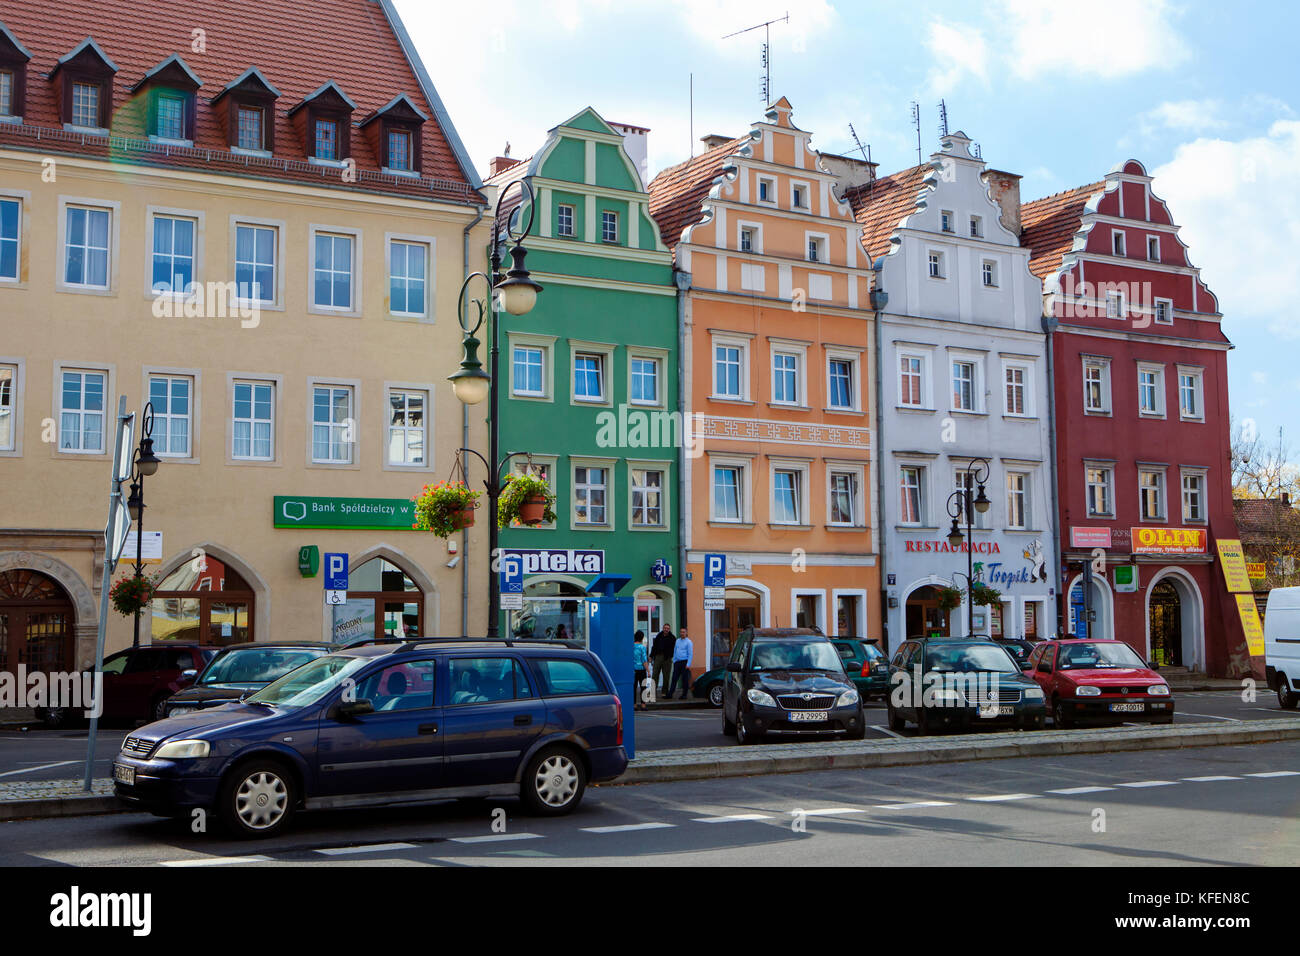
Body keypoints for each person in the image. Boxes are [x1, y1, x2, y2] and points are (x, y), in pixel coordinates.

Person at [668, 627, 693, 700]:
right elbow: (675, 650)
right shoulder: (677, 641)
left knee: (684, 680)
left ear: (686, 633)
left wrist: (688, 664)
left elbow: (690, 654)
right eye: (681, 632)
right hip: (677, 662)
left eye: (683, 632)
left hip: (684, 662)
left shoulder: (689, 642)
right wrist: (674, 660)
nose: (682, 633)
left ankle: (684, 695)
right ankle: (670, 694)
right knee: (674, 678)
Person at [651, 624, 676, 697]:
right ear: (663, 628)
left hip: (667, 658)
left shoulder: (672, 638)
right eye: (665, 628)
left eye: (667, 628)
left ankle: (664, 692)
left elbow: (675, 649)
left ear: (669, 629)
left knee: (666, 676)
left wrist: (671, 656)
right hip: (658, 657)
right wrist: (651, 656)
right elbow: (654, 647)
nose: (666, 629)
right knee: (655, 674)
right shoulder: (659, 636)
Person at [632, 631, 649, 710]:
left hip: (633, 670)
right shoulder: (642, 647)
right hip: (641, 670)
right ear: (642, 638)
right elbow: (644, 660)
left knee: (634, 687)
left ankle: (634, 705)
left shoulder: (631, 646)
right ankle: (643, 705)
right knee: (643, 687)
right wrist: (648, 670)